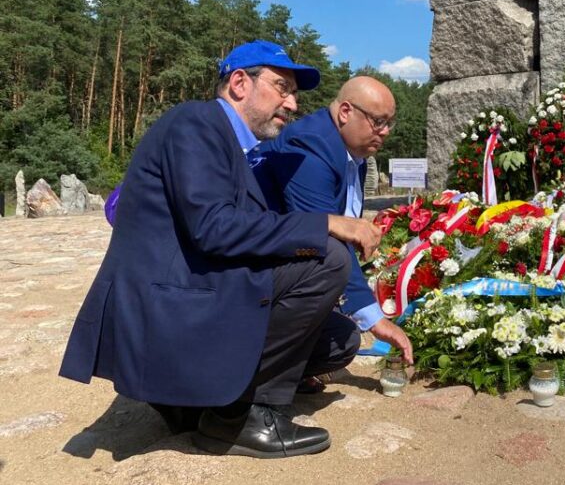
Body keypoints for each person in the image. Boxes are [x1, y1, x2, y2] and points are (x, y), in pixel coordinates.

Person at [59, 40, 382, 459]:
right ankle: (236, 419)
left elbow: (236, 232)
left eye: (293, 93)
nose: (292, 103)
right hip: (168, 312)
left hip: (194, 292)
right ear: (240, 83)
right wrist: (324, 223)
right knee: (328, 258)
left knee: (337, 338)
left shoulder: (233, 142)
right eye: (282, 88)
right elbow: (214, 229)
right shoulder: (196, 123)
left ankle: (193, 402)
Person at [254, 76, 414, 376]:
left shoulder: (353, 152)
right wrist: (375, 320)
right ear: (345, 112)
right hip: (249, 278)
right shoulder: (310, 146)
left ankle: (286, 371)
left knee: (343, 340)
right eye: (378, 121)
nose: (385, 131)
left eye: (389, 123)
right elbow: (325, 238)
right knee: (332, 258)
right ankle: (252, 387)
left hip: (280, 272)